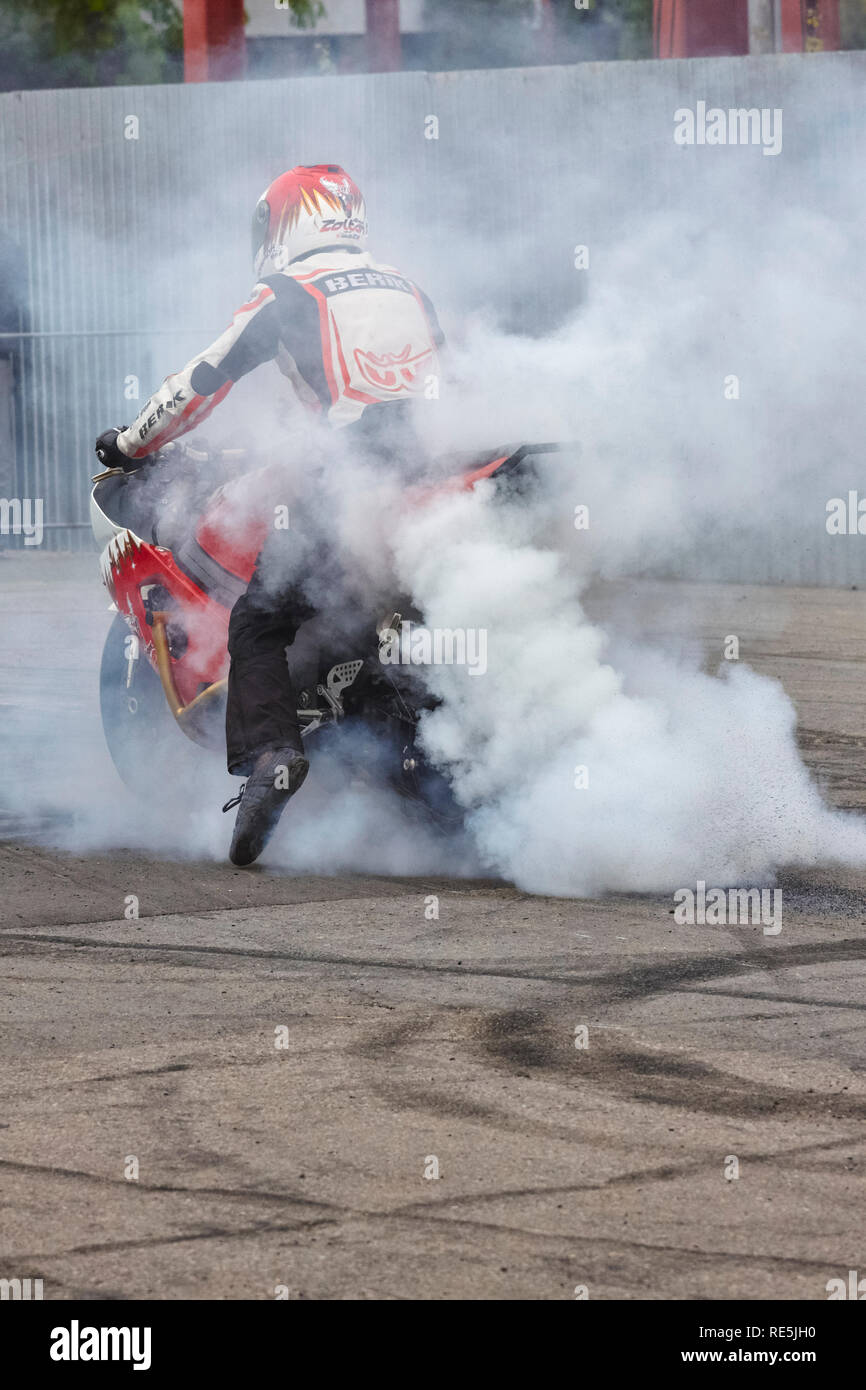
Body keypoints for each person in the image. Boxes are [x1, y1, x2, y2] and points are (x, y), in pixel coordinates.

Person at [95, 164, 444, 866]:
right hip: (440, 471)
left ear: (286, 222)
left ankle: (272, 757)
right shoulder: (408, 287)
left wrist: (129, 441)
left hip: (353, 480)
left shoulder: (289, 290)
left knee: (258, 620)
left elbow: (201, 383)